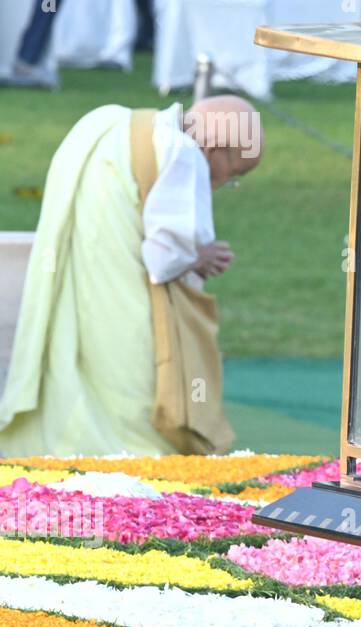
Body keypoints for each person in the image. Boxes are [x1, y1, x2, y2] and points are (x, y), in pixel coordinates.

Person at [0, 96, 263, 457]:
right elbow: (163, 260)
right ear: (216, 148)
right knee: (131, 406)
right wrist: (199, 257)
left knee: (73, 365)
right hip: (122, 298)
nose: (222, 184)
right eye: (232, 175)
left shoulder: (113, 122)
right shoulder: (186, 154)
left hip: (77, 279)